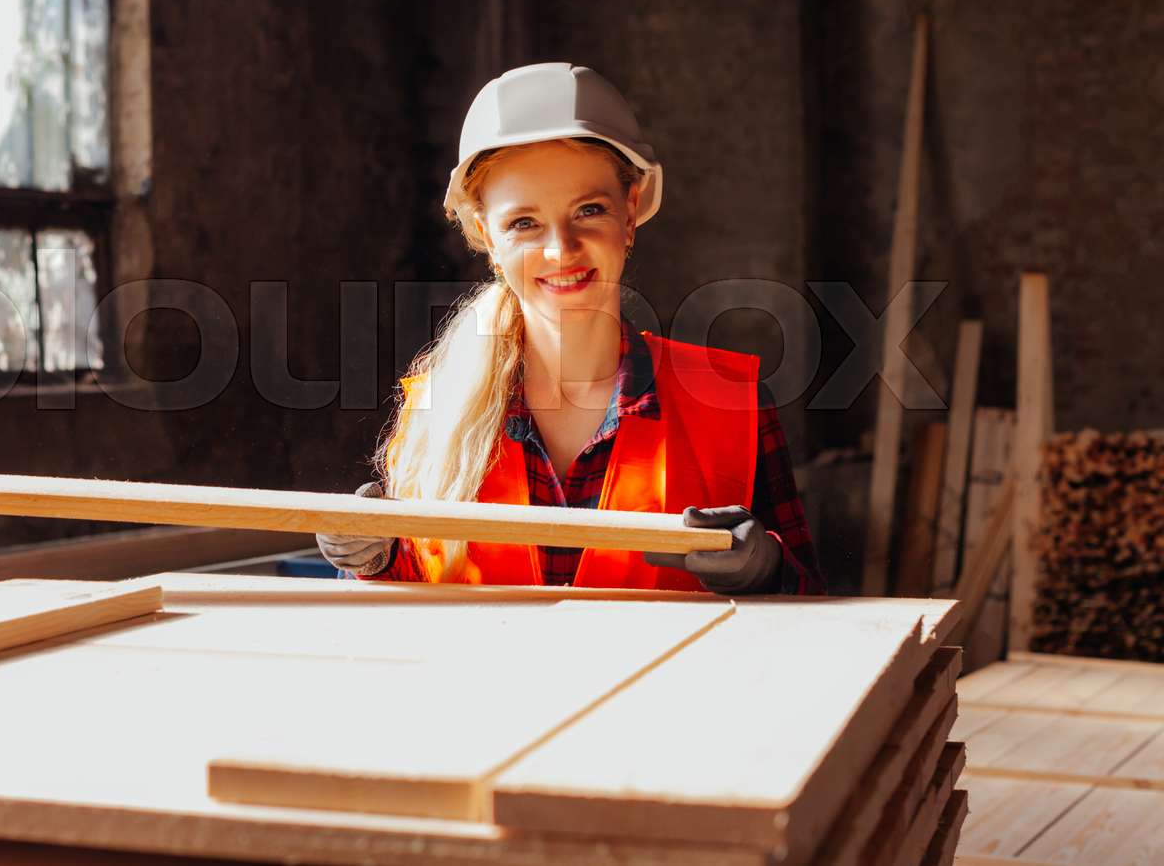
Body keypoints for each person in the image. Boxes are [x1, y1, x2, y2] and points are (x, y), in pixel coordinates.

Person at [317, 63, 825, 595]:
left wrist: (768, 569)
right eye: (524, 223)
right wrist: (375, 560)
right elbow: (416, 599)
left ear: (630, 213)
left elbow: (813, 601)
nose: (561, 250)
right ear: (488, 236)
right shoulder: (438, 408)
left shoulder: (730, 402)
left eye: (589, 210)